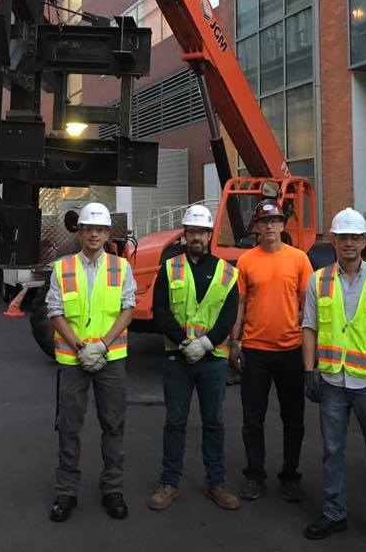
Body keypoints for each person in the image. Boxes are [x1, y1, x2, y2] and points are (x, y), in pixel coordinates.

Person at [301, 207, 366, 552]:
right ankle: (334, 515)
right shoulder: (318, 280)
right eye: (343, 237)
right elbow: (309, 328)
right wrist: (308, 370)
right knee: (332, 452)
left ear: (364, 242)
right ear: (333, 240)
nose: (349, 243)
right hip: (331, 380)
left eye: (355, 237)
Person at [46, 202, 136, 523]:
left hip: (110, 358)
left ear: (107, 233)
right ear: (80, 232)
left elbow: (128, 309)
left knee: (113, 424)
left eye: (99, 229)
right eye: (88, 228)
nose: (94, 234)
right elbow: (54, 312)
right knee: (69, 426)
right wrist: (81, 346)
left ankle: (113, 489)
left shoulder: (121, 267)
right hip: (74, 359)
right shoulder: (62, 268)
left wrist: (102, 345)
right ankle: (66, 491)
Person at [149, 204, 241, 511]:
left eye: (201, 232)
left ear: (209, 235)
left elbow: (229, 316)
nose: (197, 237)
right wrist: (183, 341)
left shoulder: (227, 272)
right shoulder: (170, 267)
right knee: (175, 422)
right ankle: (169, 482)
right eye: (192, 232)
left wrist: (206, 343)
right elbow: (159, 311)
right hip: (178, 357)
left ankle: (216, 483)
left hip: (212, 360)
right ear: (184, 235)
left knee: (213, 422)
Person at [229, 198, 313, 502]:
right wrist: (234, 342)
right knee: (253, 418)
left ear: (282, 225)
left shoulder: (299, 259)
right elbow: (239, 304)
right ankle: (255, 475)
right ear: (256, 229)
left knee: (294, 419)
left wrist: (308, 350)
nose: (269, 227)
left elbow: (308, 308)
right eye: (263, 223)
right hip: (255, 351)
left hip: (291, 350)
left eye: (274, 221)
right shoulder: (246, 261)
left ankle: (290, 475)